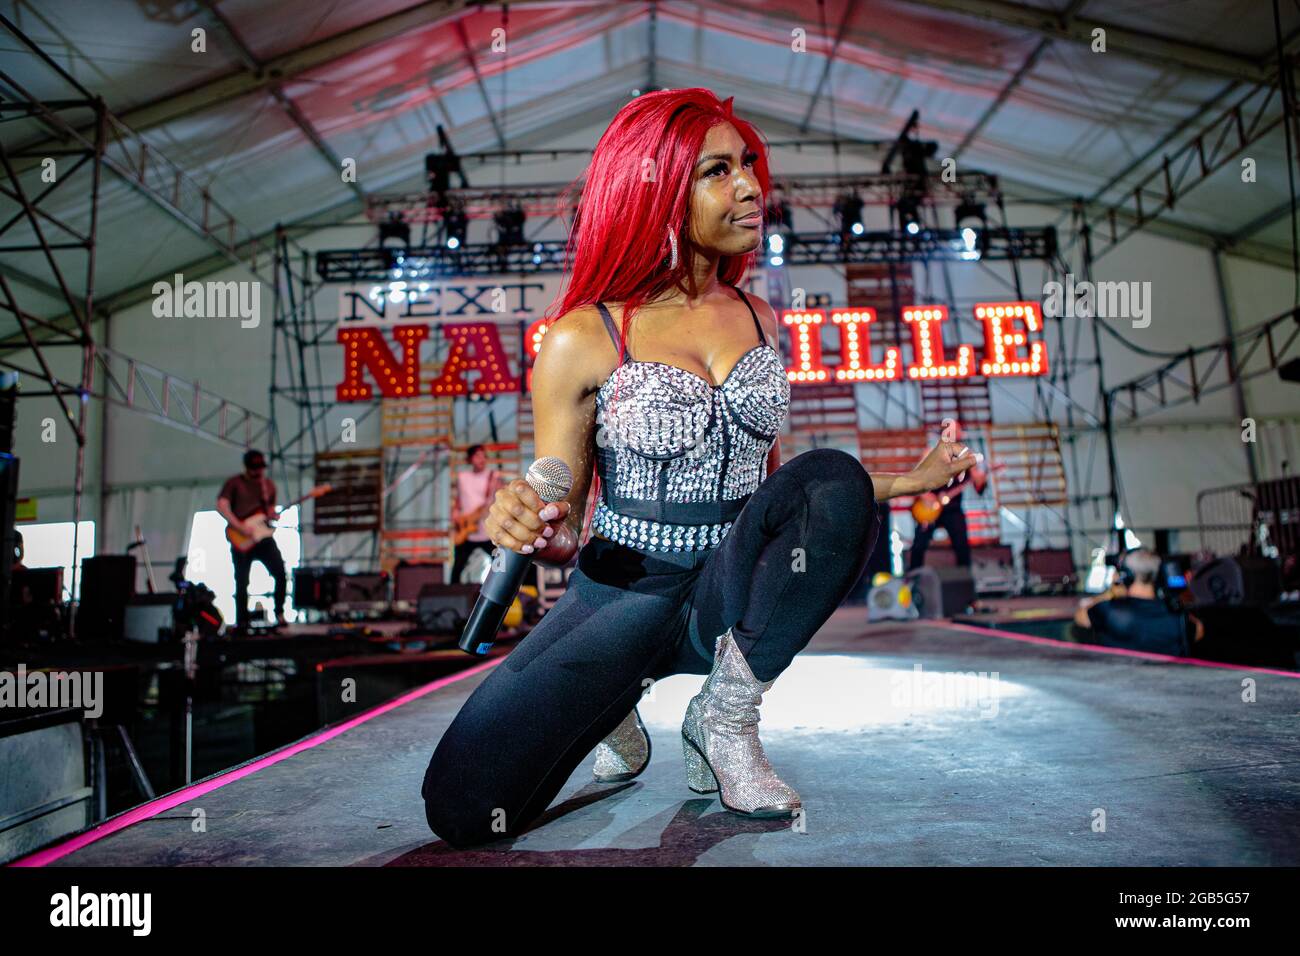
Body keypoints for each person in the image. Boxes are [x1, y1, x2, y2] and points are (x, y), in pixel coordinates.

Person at [420, 88, 981, 848]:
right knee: (463, 810)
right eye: (717, 171)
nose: (751, 185)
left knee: (833, 473)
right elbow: (559, 519)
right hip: (622, 591)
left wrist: (910, 482)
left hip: (726, 587)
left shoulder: (758, 316)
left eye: (747, 164)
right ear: (654, 190)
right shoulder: (581, 337)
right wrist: (526, 518)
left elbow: (783, 496)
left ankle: (723, 719)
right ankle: (611, 700)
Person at [1073, 549, 1204, 655]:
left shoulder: (1110, 611)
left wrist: (1110, 593)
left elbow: (1080, 616)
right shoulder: (1175, 615)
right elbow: (1198, 630)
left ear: (1126, 576)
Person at [217, 449, 287, 630]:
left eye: (261, 468)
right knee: (241, 581)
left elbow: (269, 510)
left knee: (280, 572)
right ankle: (242, 620)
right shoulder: (234, 483)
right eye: (254, 468)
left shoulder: (268, 486)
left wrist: (272, 516)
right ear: (247, 467)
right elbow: (222, 505)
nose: (258, 472)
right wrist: (239, 526)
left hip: (263, 537)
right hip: (241, 539)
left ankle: (279, 613)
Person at [908, 420, 992, 570]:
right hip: (929, 508)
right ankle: (913, 580)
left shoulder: (967, 455)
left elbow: (977, 484)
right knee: (919, 545)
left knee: (961, 545)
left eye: (958, 431)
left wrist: (981, 479)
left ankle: (964, 580)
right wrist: (926, 495)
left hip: (952, 508)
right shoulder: (931, 452)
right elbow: (916, 478)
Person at [449, 444, 501, 584]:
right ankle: (452, 596)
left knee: (499, 563)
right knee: (458, 566)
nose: (481, 459)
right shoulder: (462, 477)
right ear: (470, 459)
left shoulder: (492, 476)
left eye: (484, 456)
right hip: (466, 529)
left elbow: (498, 498)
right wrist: (455, 515)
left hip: (486, 530)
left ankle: (501, 592)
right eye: (477, 456)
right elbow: (459, 501)